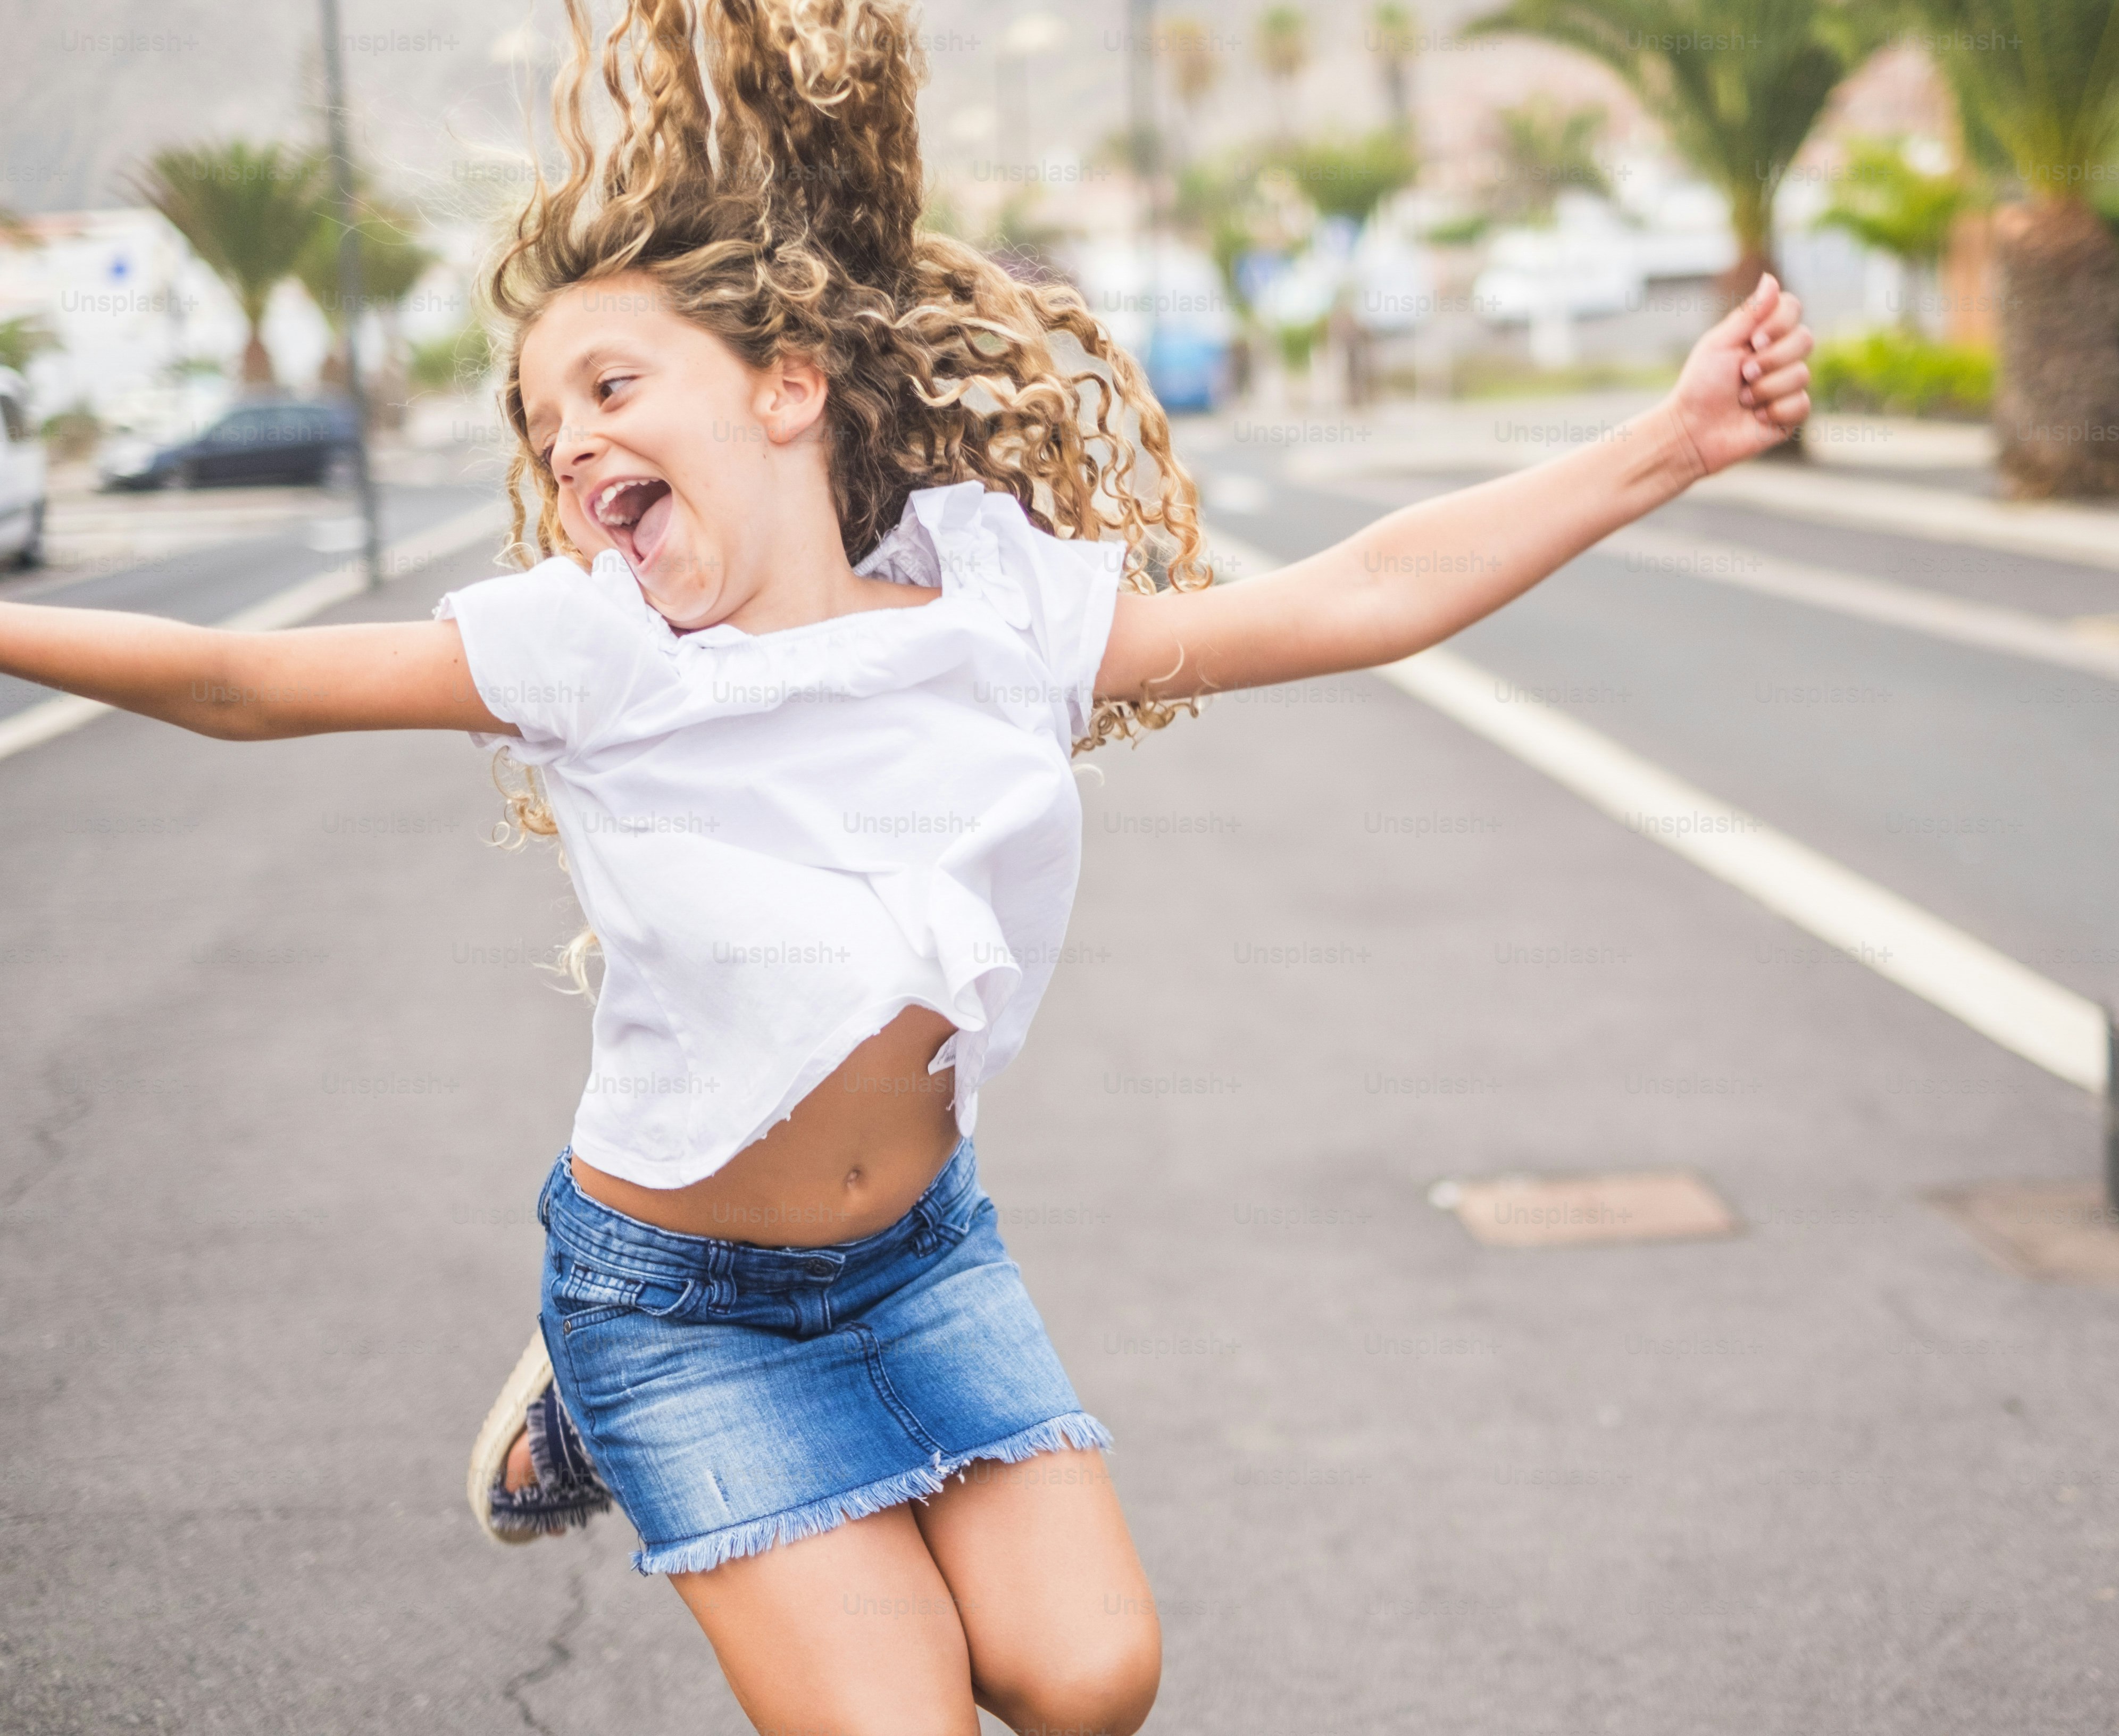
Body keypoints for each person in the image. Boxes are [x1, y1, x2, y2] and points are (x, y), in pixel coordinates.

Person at [0, 1, 1813, 1729]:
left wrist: (1675, 441)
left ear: (787, 387)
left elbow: (1361, 597)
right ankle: (595, 1393)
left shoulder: (992, 614)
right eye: (550, 433)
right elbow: (238, 682)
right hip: (678, 1302)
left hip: (923, 1258)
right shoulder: (592, 652)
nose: (574, 442)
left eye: (614, 384)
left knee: (1089, 1683)